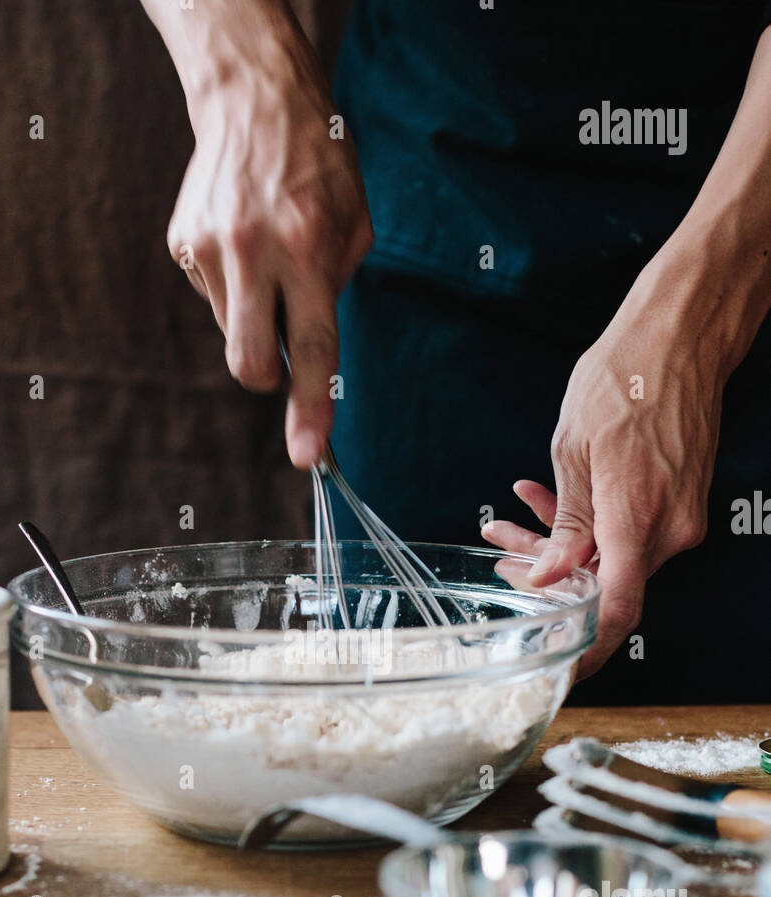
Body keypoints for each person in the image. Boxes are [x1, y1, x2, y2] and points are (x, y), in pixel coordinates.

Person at [140, 0, 771, 701]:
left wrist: (701, 322)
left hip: (748, 198)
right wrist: (242, 74)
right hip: (425, 212)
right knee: (403, 729)